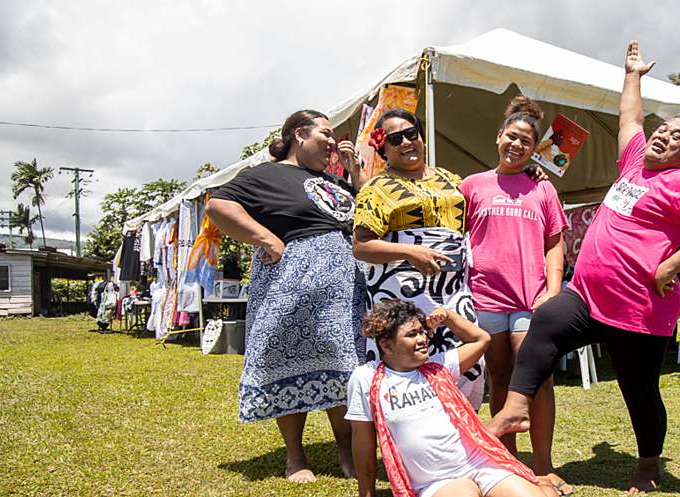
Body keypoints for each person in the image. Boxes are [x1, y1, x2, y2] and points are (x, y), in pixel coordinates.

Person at [487, 41, 680, 493]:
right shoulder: (633, 164)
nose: (662, 136)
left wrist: (671, 268)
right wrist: (633, 75)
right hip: (588, 293)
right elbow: (630, 119)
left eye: (676, 136)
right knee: (545, 320)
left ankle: (647, 466)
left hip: (640, 307)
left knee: (639, 391)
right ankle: (514, 407)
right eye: (663, 130)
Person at [206, 109, 368, 483]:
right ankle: (295, 457)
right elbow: (218, 204)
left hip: (344, 289)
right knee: (287, 360)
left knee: (345, 364)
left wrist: (355, 172)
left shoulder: (335, 180)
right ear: (299, 134)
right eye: (325, 134)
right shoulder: (266, 174)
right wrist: (266, 238)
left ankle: (346, 449)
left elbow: (369, 210)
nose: (332, 141)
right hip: (290, 284)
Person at [459, 95, 572, 496]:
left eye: (526, 141)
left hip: (532, 301)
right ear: (498, 137)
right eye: (511, 136)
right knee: (501, 380)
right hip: (485, 298)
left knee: (538, 381)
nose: (516, 145)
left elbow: (555, 242)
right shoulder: (472, 185)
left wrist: (554, 293)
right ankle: (509, 464)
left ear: (533, 148)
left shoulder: (543, 190)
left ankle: (544, 467)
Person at [345, 299, 559, 497]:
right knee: (465, 492)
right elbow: (363, 443)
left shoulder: (439, 366)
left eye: (421, 332)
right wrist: (367, 494)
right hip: (438, 480)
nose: (422, 339)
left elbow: (481, 339)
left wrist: (448, 316)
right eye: (412, 335)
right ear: (387, 346)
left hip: (481, 464)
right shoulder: (368, 379)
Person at [352, 108, 486, 409]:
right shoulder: (376, 188)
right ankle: (408, 440)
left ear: (421, 136)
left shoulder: (451, 180)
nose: (405, 143)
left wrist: (527, 173)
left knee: (466, 359)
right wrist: (410, 251)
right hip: (403, 295)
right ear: (383, 147)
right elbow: (360, 246)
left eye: (411, 134)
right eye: (395, 138)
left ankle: (459, 439)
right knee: (408, 364)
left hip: (453, 292)